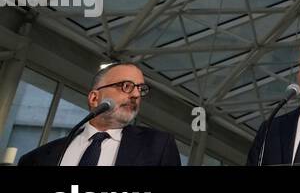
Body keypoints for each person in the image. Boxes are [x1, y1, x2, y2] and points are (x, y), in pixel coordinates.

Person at [19, 62, 181, 166]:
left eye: (140, 89)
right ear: (95, 98)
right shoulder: (37, 159)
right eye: (126, 86)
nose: (136, 95)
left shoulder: (158, 145)